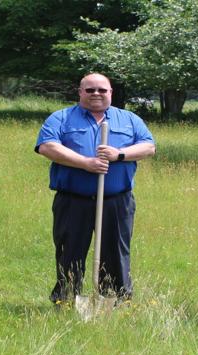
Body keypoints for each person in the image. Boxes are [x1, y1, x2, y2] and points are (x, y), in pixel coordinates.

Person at [36, 73, 156, 304]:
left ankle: (115, 299)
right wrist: (86, 163)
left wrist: (118, 155)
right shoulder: (61, 118)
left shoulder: (129, 119)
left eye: (102, 90)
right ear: (80, 92)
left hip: (116, 200)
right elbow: (47, 147)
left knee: (116, 252)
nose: (96, 94)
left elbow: (148, 147)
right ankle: (67, 299)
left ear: (110, 92)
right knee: (69, 251)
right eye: (90, 90)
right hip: (73, 200)